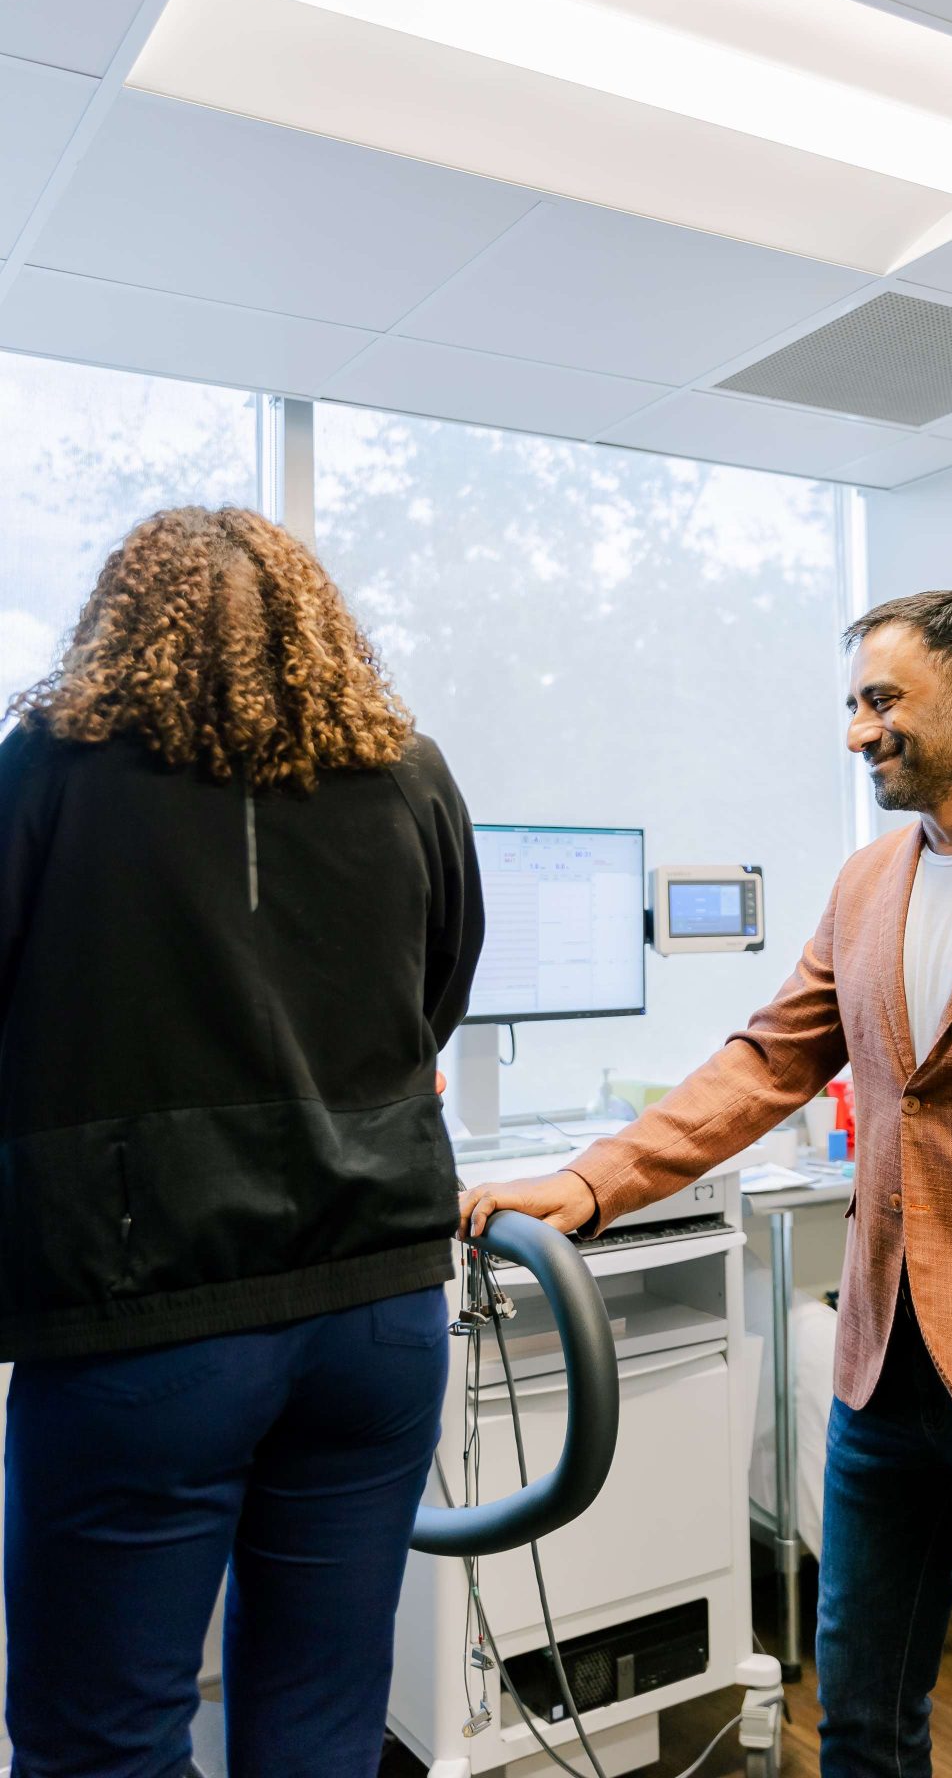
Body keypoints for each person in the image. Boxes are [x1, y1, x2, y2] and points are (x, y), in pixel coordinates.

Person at [459, 589, 952, 1778]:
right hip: (883, 1373)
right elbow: (767, 1060)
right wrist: (590, 1184)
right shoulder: (865, 884)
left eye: (881, 699)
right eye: (853, 704)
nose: (857, 730)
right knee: (860, 1718)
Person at [0, 506, 484, 1778]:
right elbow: (438, 993)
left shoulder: (50, 767)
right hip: (376, 1316)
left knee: (101, 1739)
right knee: (322, 1725)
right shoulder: (412, 771)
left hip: (144, 1319)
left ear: (119, 626)